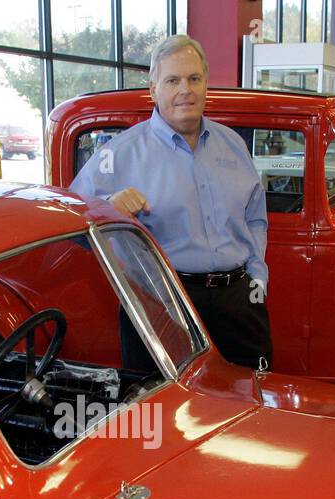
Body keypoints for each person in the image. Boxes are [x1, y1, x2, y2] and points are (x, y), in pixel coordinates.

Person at [70, 35, 271, 370]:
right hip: (161, 302)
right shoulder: (119, 154)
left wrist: (256, 276)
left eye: (194, 79)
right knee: (164, 413)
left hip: (239, 300)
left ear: (206, 84)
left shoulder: (233, 144)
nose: (185, 90)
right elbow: (72, 218)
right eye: (173, 80)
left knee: (251, 400)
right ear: (153, 89)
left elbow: (255, 217)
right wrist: (107, 206)